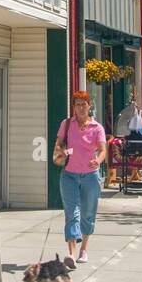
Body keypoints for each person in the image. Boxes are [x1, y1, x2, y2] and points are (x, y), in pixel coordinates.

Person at [54, 91, 107, 264]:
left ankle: (83, 249)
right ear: (74, 108)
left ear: (89, 106)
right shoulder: (67, 124)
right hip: (69, 175)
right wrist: (63, 151)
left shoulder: (97, 127)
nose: (81, 107)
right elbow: (59, 144)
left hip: (90, 177)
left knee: (88, 214)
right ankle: (71, 253)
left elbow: (102, 149)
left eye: (84, 104)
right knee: (72, 213)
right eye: (78, 104)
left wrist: (97, 161)